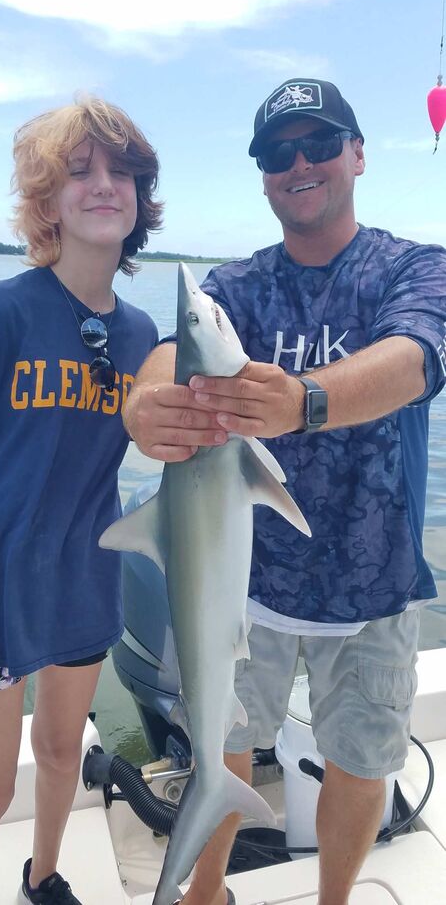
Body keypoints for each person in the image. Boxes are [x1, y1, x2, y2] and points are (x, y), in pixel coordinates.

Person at [122, 78, 446, 905]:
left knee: (362, 761)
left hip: (373, 583)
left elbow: (415, 359)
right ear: (263, 175)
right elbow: (173, 349)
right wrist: (145, 402)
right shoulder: (235, 288)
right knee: (222, 742)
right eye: (277, 152)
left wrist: (304, 402)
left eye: (320, 143)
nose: (299, 163)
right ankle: (203, 896)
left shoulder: (411, 266)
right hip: (250, 585)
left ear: (359, 154)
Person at [0, 95, 162, 905]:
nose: (104, 186)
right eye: (79, 171)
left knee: (62, 753)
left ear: (140, 197)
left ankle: (45, 875)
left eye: (121, 171)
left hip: (85, 580)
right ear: (45, 200)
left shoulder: (141, 337)